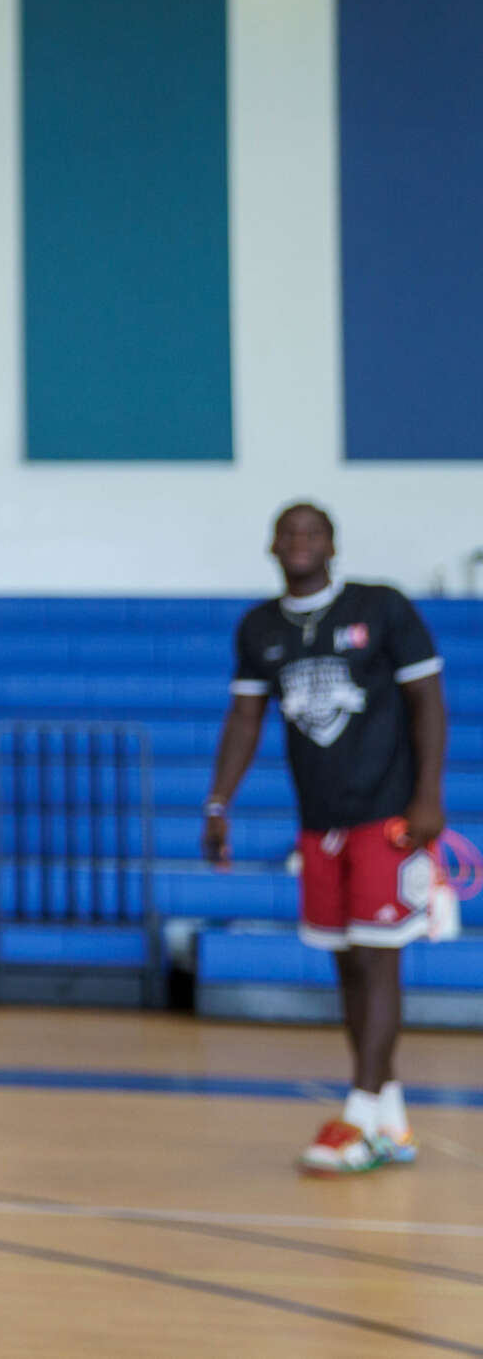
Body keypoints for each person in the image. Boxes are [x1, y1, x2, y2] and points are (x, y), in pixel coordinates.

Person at [204, 500, 448, 1176]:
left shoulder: (382, 607)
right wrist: (218, 802)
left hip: (388, 815)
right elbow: (245, 719)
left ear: (333, 544)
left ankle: (359, 1113)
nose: (300, 541)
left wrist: (429, 798)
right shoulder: (260, 627)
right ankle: (390, 1121)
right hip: (319, 821)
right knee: (347, 963)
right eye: (289, 532)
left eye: (312, 532)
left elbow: (428, 702)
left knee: (378, 959)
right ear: (271, 546)